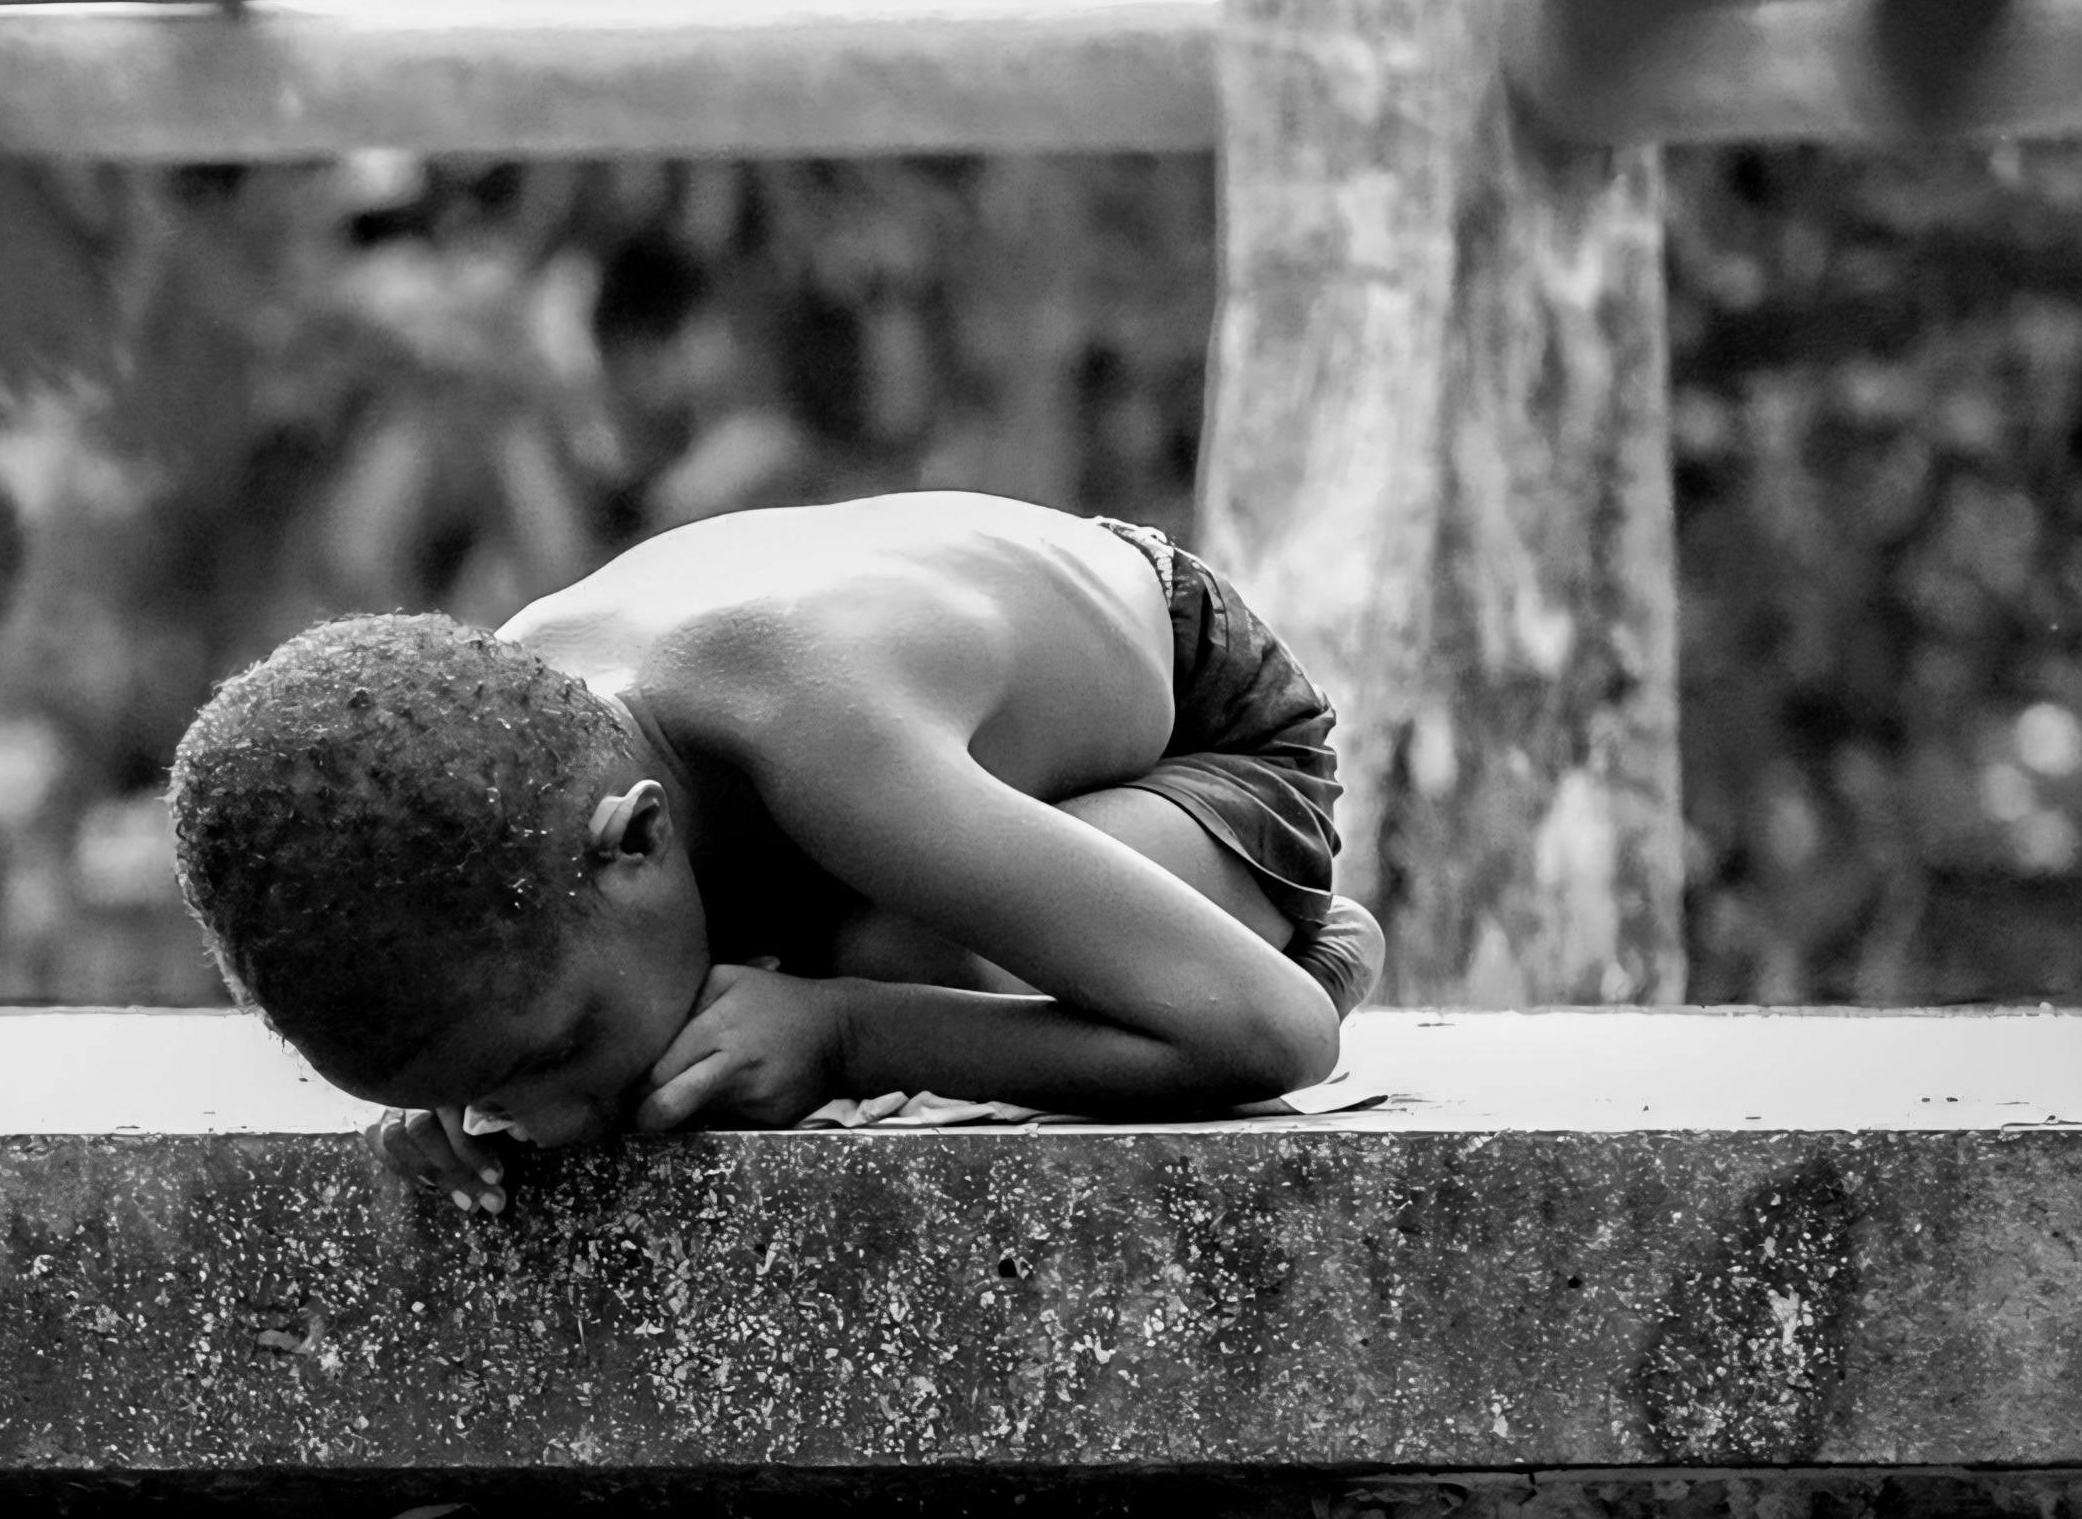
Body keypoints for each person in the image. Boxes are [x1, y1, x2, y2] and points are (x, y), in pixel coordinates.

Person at [167, 490, 1383, 1214]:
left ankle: (1279, 929)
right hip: (903, 745)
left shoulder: (798, 718)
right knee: (824, 924)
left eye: (557, 1056)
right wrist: (455, 1081)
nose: (558, 1132)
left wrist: (847, 1034)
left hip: (1194, 734)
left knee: (901, 943)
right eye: (492, 1099)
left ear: (639, 839)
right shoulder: (512, 788)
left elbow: (1282, 1043)